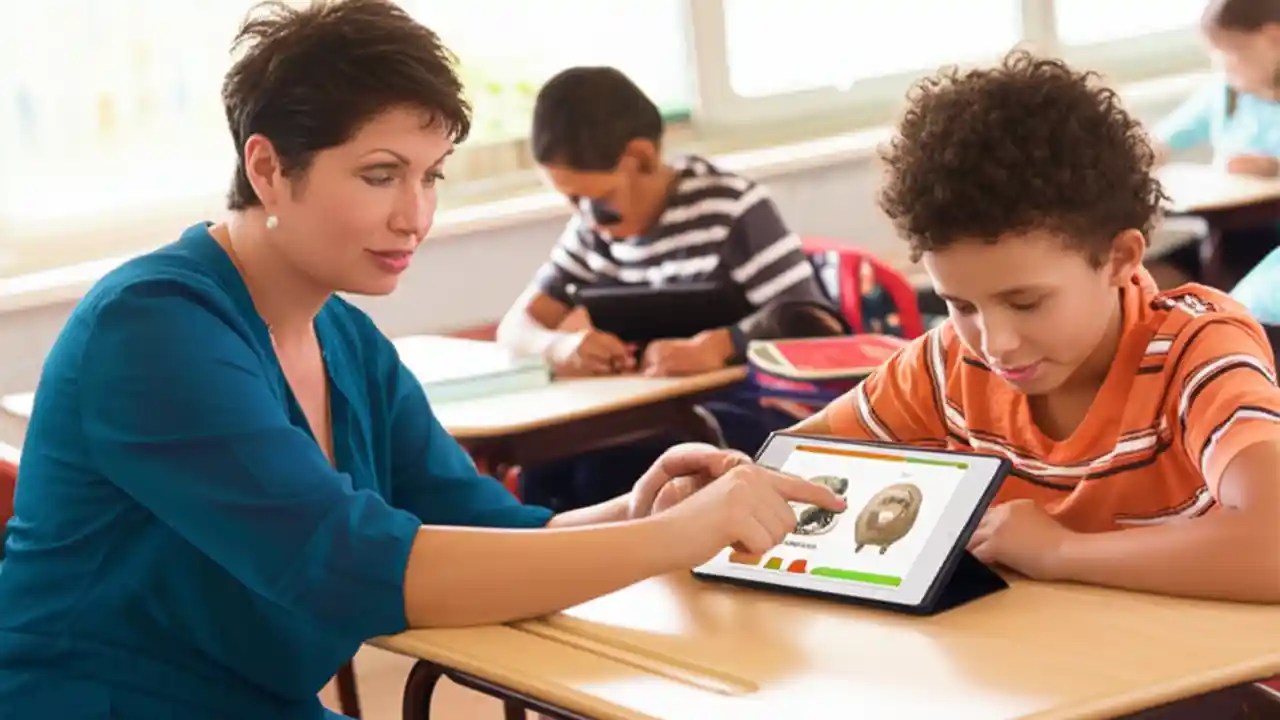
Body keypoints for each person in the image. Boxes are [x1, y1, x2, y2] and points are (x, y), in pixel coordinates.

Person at [0, 3, 844, 718]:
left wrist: (638, 508)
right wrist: (674, 537)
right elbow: (357, 567)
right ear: (267, 167)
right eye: (380, 175)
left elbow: (491, 528)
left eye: (432, 175)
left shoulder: (346, 340)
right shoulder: (153, 332)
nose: (416, 216)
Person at [792, 51, 1280, 604]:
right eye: (960, 305)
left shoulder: (1196, 352)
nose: (995, 343)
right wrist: (726, 481)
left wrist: (1062, 552)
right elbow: (795, 465)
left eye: (1025, 303)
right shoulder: (948, 363)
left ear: (1120, 258)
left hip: (1207, 679)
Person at [496, 66, 844, 511]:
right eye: (572, 200)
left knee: (612, 469)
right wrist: (560, 346)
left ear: (640, 157)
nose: (587, 215)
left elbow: (811, 317)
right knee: (546, 467)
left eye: (598, 199)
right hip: (643, 413)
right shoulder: (592, 232)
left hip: (735, 407)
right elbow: (517, 327)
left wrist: (720, 345)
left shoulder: (732, 208)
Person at [1151, 0, 1280, 300]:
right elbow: (1163, 140)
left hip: (1270, 240)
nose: (1226, 65)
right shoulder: (1224, 94)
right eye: (1218, 56)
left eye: (1235, 53)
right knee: (1147, 279)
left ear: (1274, 38)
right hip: (1224, 234)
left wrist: (1273, 168)